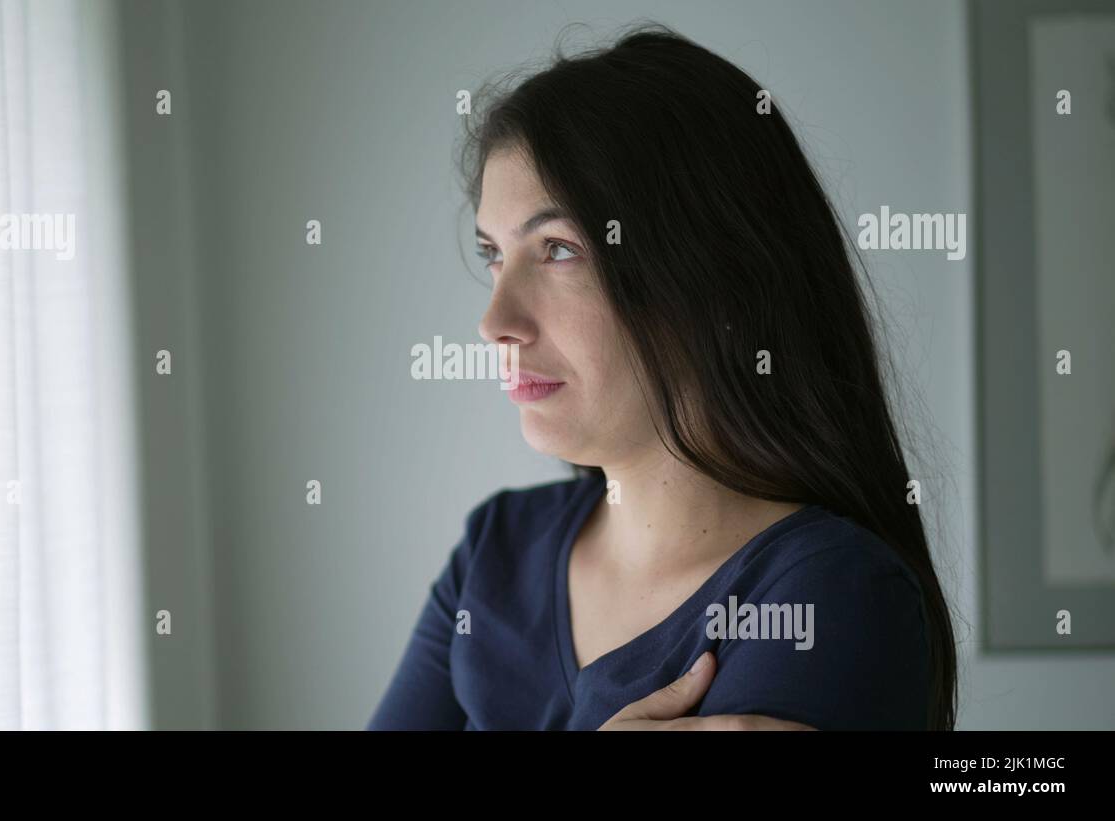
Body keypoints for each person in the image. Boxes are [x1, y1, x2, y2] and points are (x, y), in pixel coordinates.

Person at [368, 23, 957, 731]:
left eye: (558, 249)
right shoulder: (495, 551)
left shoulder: (829, 592)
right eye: (494, 255)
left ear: (713, 276)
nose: (495, 322)